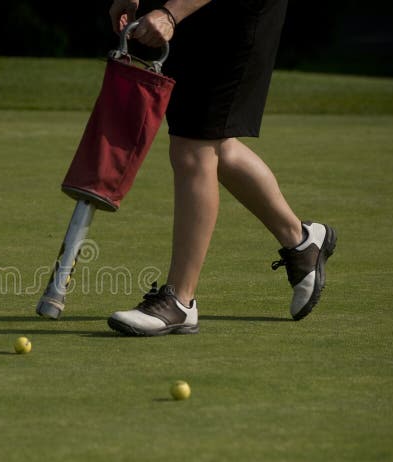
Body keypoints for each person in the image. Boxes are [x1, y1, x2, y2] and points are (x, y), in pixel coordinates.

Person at [106, 0, 337, 336]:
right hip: (196, 12)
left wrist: (171, 13)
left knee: (194, 147)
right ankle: (302, 241)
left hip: (236, 12)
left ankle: (180, 300)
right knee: (213, 144)